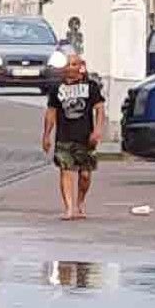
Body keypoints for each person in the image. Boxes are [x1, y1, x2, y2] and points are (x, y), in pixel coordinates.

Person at [42, 52, 105, 220]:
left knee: (85, 174)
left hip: (85, 137)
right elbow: (51, 112)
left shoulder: (91, 86)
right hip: (64, 136)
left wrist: (98, 129)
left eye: (73, 64)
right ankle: (69, 208)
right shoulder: (57, 88)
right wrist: (46, 135)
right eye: (67, 64)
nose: (70, 67)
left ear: (81, 66)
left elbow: (99, 109)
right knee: (66, 170)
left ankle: (80, 201)